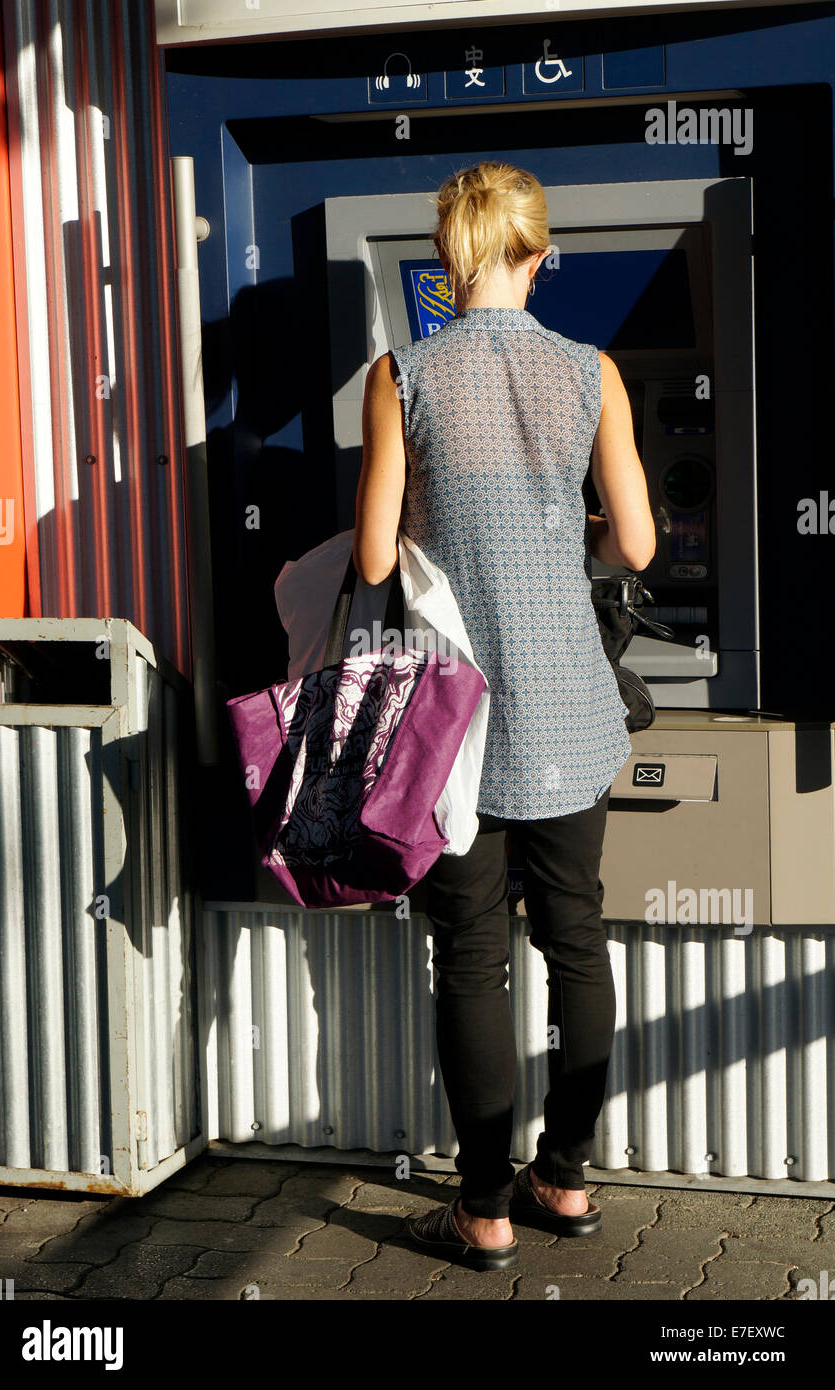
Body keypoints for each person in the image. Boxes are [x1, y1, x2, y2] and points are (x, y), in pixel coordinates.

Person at [352, 160, 656, 1272]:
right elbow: (633, 546)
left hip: (453, 726)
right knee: (575, 940)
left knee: (470, 960)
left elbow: (376, 555)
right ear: (537, 256)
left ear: (445, 261)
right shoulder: (591, 372)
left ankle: (481, 1211)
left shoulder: (401, 376)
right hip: (570, 714)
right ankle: (563, 1178)